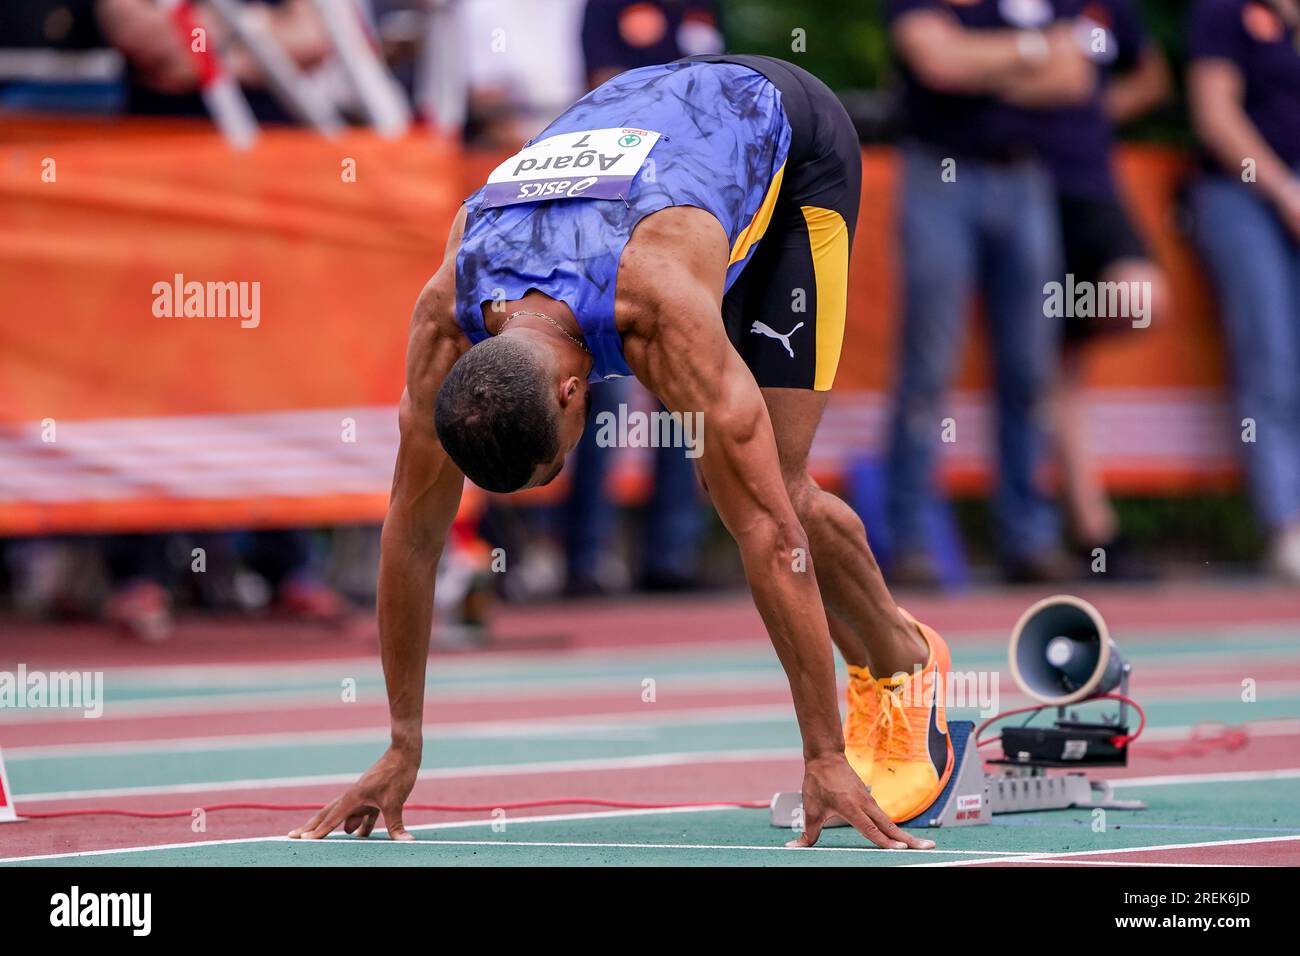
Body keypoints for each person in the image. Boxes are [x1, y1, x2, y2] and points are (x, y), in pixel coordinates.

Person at [290, 55, 952, 850]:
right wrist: (402, 743)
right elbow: (413, 528)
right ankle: (876, 659)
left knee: (767, 484)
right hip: (652, 126)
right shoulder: (446, 314)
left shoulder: (657, 305)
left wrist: (823, 753)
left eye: (559, 462)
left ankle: (905, 665)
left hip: (787, 133)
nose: (568, 467)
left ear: (574, 397)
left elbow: (775, 541)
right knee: (740, 479)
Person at [885, 0, 1095, 585]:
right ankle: (911, 541)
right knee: (928, 365)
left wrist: (979, 65)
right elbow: (937, 65)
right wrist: (1030, 53)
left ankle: (1028, 539)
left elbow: (1075, 75)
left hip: (1024, 179)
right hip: (938, 178)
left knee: (1031, 369)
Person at [1031, 0, 1170, 575]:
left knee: (1143, 298)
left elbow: (1152, 77)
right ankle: (1095, 531)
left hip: (1094, 185)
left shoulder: (1109, 7)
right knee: (1061, 377)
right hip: (1034, 188)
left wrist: (1089, 107)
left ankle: (1060, 325)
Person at [1187, 0, 1300, 584]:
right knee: (1271, 356)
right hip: (1244, 197)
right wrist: (1285, 192)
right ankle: (1287, 526)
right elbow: (1215, 114)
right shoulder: (1226, 11)